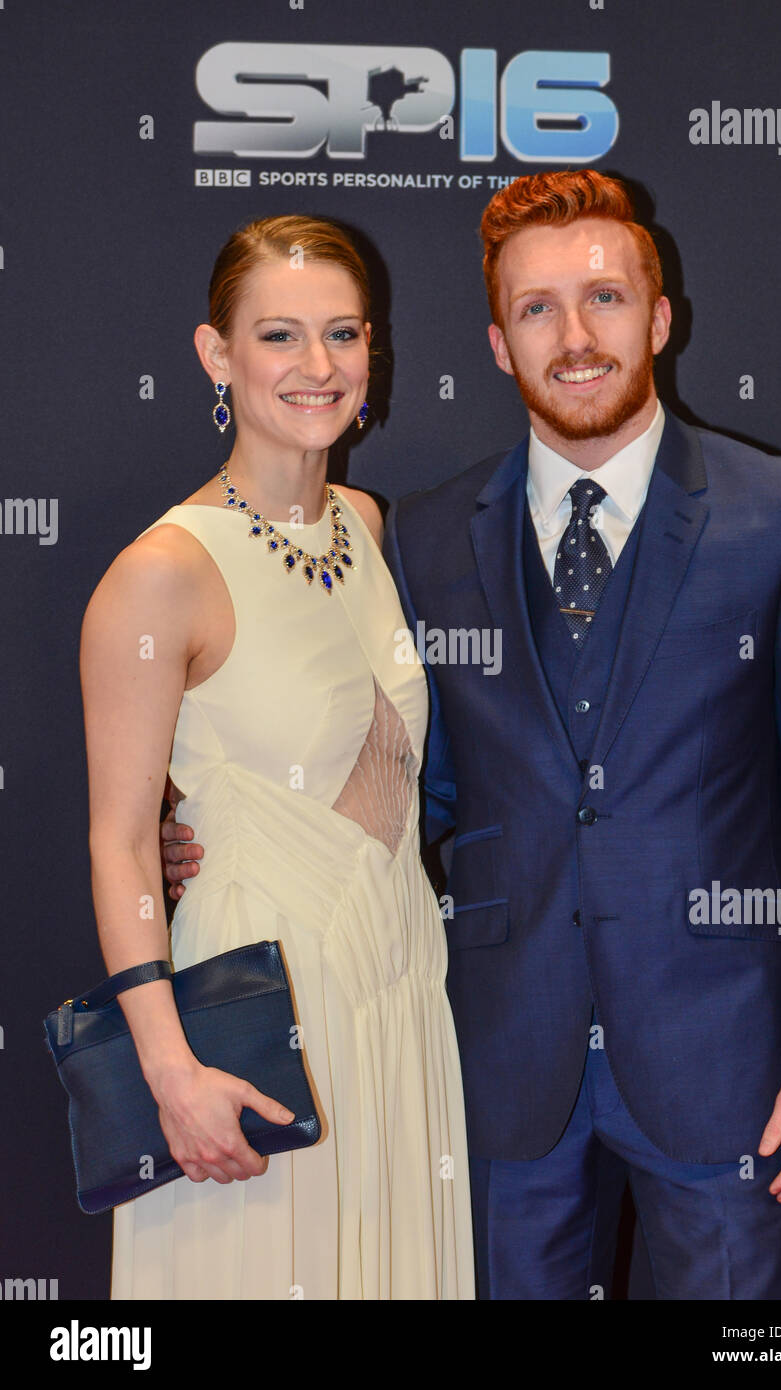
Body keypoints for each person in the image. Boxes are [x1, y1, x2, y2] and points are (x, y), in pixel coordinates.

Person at [163, 173, 781, 1300]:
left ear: (659, 317)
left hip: (732, 1069)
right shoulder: (431, 534)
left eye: (604, 297)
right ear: (499, 343)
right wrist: (240, 828)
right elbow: (418, 783)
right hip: (497, 1075)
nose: (576, 336)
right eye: (537, 309)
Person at [81, 214, 475, 1300]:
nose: (318, 367)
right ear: (217, 355)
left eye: (343, 334)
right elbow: (119, 841)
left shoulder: (368, 524)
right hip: (250, 1020)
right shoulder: (162, 573)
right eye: (279, 336)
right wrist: (171, 1074)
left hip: (397, 989)